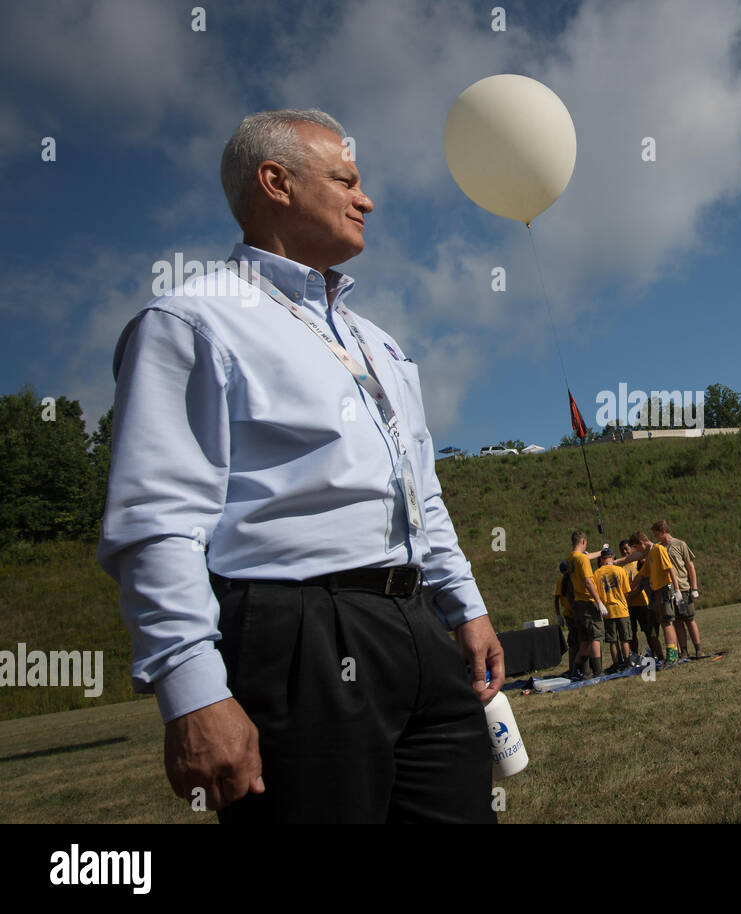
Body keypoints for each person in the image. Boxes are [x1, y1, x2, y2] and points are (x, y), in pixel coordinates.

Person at [97, 109, 503, 823]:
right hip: (296, 638)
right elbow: (155, 522)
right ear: (275, 182)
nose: (366, 198)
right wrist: (191, 689)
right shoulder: (194, 321)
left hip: (414, 627)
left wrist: (465, 608)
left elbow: (420, 493)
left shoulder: (379, 344)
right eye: (346, 180)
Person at [628, 530, 681, 664]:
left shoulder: (658, 549)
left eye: (637, 548)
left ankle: (671, 657)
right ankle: (674, 655)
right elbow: (640, 575)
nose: (638, 552)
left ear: (641, 543)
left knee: (667, 623)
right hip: (657, 591)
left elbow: (670, 569)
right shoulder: (650, 554)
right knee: (665, 623)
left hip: (664, 589)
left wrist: (677, 590)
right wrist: (626, 591)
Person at [653, 519, 702, 657]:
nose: (655, 537)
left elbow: (690, 566)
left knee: (689, 619)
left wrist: (694, 587)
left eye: (656, 534)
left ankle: (698, 648)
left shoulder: (680, 544)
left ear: (663, 532)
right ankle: (684, 651)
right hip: (669, 590)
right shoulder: (659, 548)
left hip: (683, 587)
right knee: (677, 622)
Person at [567, 531, 609, 678]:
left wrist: (601, 551)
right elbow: (588, 581)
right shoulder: (582, 560)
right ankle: (598, 671)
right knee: (595, 637)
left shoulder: (571, 558)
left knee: (584, 641)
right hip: (588, 602)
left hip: (577, 603)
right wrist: (599, 602)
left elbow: (585, 557)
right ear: (584, 542)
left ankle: (580, 671)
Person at [621, 538, 661, 662]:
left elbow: (642, 582)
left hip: (642, 602)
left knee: (649, 631)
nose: (624, 552)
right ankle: (635, 656)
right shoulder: (622, 566)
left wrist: (631, 593)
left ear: (632, 549)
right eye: (622, 550)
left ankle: (655, 653)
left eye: (626, 549)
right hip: (629, 605)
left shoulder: (639, 562)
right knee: (631, 634)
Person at [594, 546, 634, 670]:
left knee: (612, 640)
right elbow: (627, 591)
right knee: (625, 639)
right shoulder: (620, 570)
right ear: (612, 557)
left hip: (607, 611)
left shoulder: (596, 573)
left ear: (601, 559)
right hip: (621, 609)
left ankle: (616, 663)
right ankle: (627, 663)